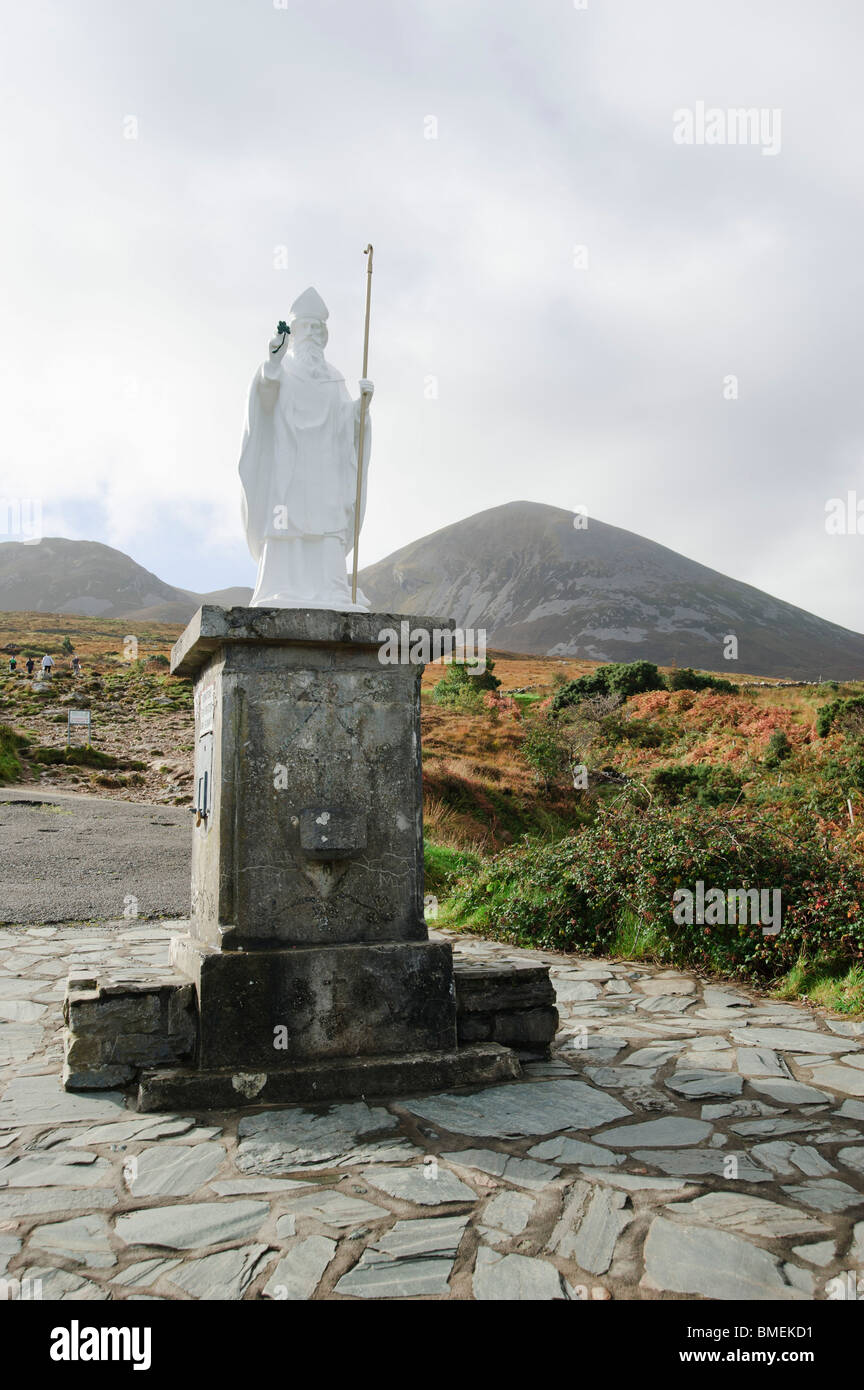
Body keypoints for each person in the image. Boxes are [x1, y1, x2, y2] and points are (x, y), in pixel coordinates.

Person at [239, 285, 373, 611]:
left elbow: (347, 425)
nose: (312, 333)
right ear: (294, 333)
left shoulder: (334, 378)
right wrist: (271, 364)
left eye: (318, 328)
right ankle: (281, 588)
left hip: (325, 468)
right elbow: (265, 402)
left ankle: (333, 592)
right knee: (286, 523)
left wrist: (361, 408)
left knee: (327, 525)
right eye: (305, 327)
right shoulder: (281, 370)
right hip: (289, 465)